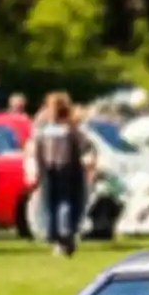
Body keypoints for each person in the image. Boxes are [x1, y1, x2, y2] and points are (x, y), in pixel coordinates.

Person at [32, 93, 96, 256]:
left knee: (49, 202)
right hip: (69, 169)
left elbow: (36, 150)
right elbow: (86, 146)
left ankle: (52, 233)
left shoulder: (43, 129)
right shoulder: (70, 129)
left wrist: (38, 169)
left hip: (48, 169)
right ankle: (65, 231)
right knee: (66, 201)